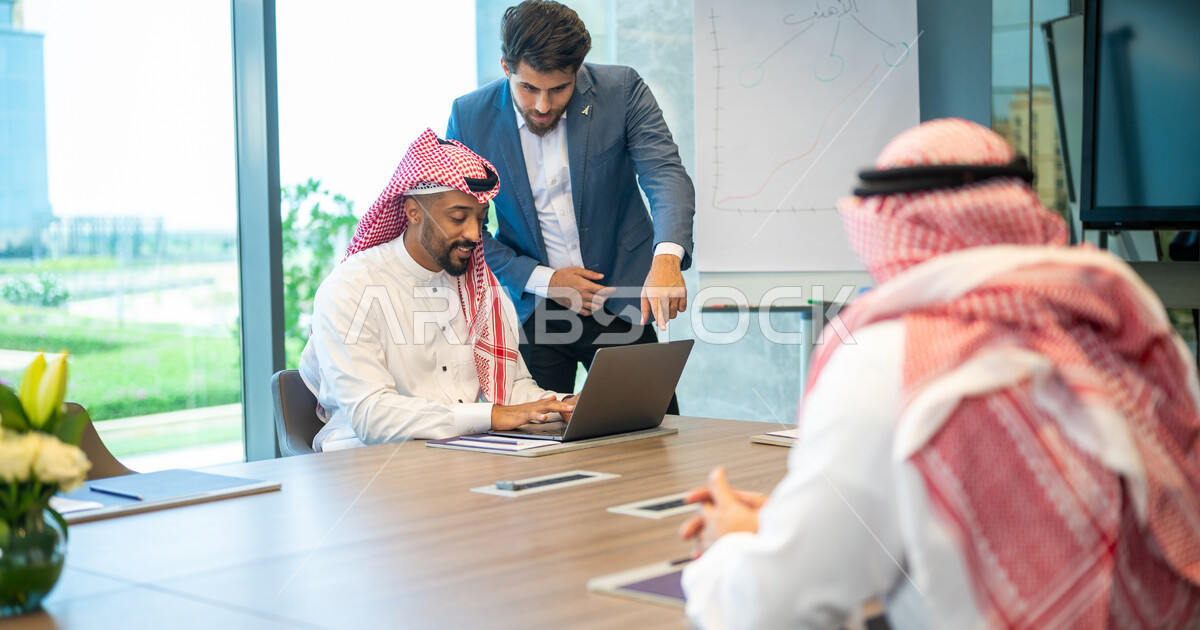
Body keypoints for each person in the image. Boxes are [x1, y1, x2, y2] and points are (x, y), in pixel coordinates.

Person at [678, 119, 1200, 629]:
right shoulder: (1124, 317)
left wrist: (732, 544)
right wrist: (796, 524)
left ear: (887, 225)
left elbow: (776, 612)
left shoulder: (889, 358)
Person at [446, 0, 695, 409]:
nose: (542, 106)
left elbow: (664, 174)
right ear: (506, 67)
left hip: (619, 296)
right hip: (533, 306)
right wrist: (546, 280)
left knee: (651, 432)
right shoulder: (469, 117)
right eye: (528, 88)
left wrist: (667, 257)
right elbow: (466, 229)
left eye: (558, 89)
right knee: (532, 438)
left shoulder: (623, 90)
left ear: (578, 70)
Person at [298, 129, 574, 452]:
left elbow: (510, 391)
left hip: (472, 454)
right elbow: (373, 416)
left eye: (481, 219)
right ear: (414, 212)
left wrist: (566, 406)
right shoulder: (349, 289)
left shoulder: (482, 286)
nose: (474, 234)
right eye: (458, 218)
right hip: (368, 467)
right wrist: (490, 416)